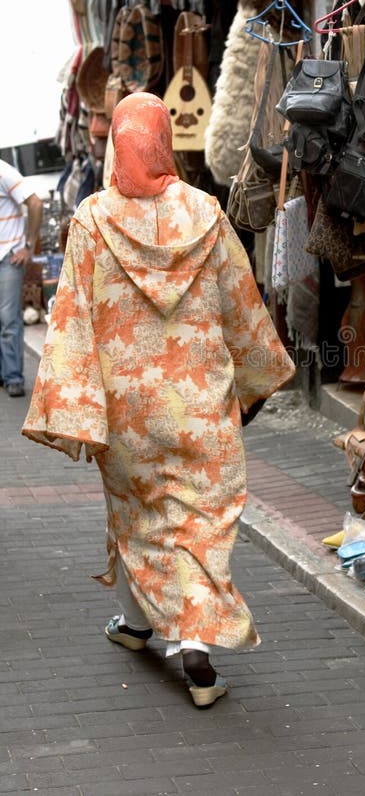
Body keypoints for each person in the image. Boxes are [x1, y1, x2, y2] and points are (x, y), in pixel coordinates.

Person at [22, 92, 296, 708]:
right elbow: (241, 302)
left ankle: (149, 628)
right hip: (201, 402)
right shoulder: (205, 211)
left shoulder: (92, 219)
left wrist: (76, 404)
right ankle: (183, 642)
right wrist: (255, 377)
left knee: (137, 516)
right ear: (164, 142)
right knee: (199, 521)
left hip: (128, 408)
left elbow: (72, 318)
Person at [0, 160, 43, 397]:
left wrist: (29, 246)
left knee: (9, 319)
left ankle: (13, 377)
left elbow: (35, 203)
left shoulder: (3, 172)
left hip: (8, 256)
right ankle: (3, 372)